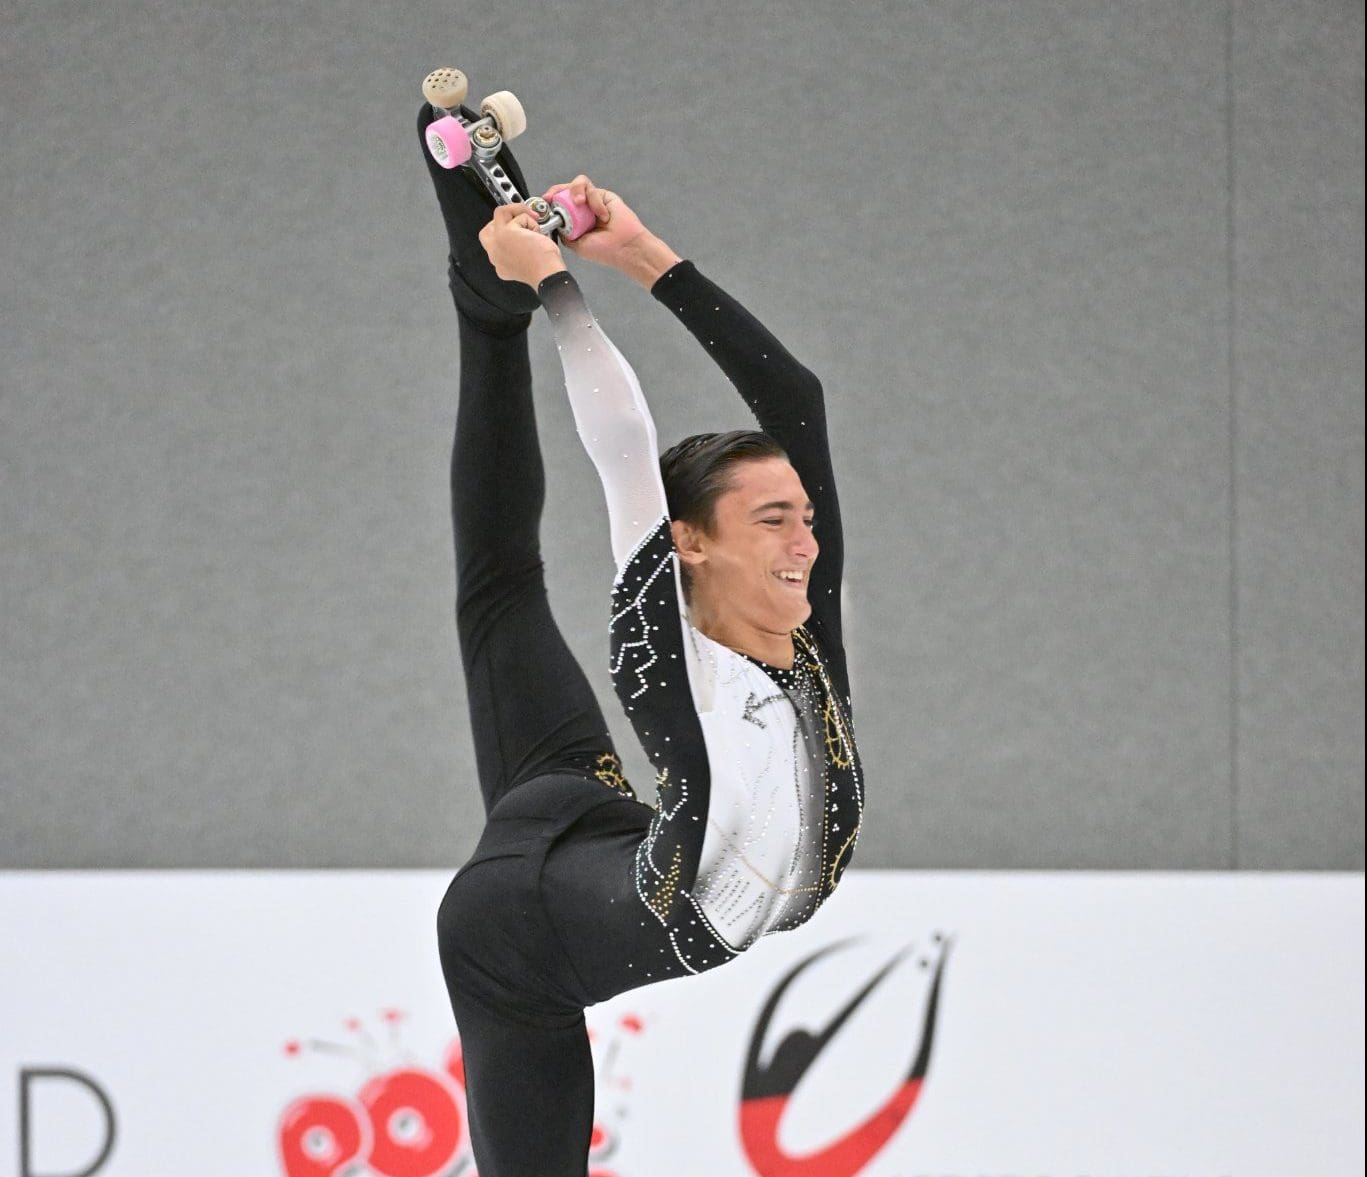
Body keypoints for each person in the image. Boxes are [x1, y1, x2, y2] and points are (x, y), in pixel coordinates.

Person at [418, 100, 864, 1176]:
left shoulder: (806, 638)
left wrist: (647, 257)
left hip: (588, 814)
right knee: (504, 586)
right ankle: (498, 291)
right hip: (512, 938)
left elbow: (794, 399)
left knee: (497, 595)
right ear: (691, 546)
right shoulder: (662, 633)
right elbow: (620, 432)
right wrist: (559, 289)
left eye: (803, 518)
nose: (807, 542)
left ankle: (478, 281)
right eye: (772, 521)